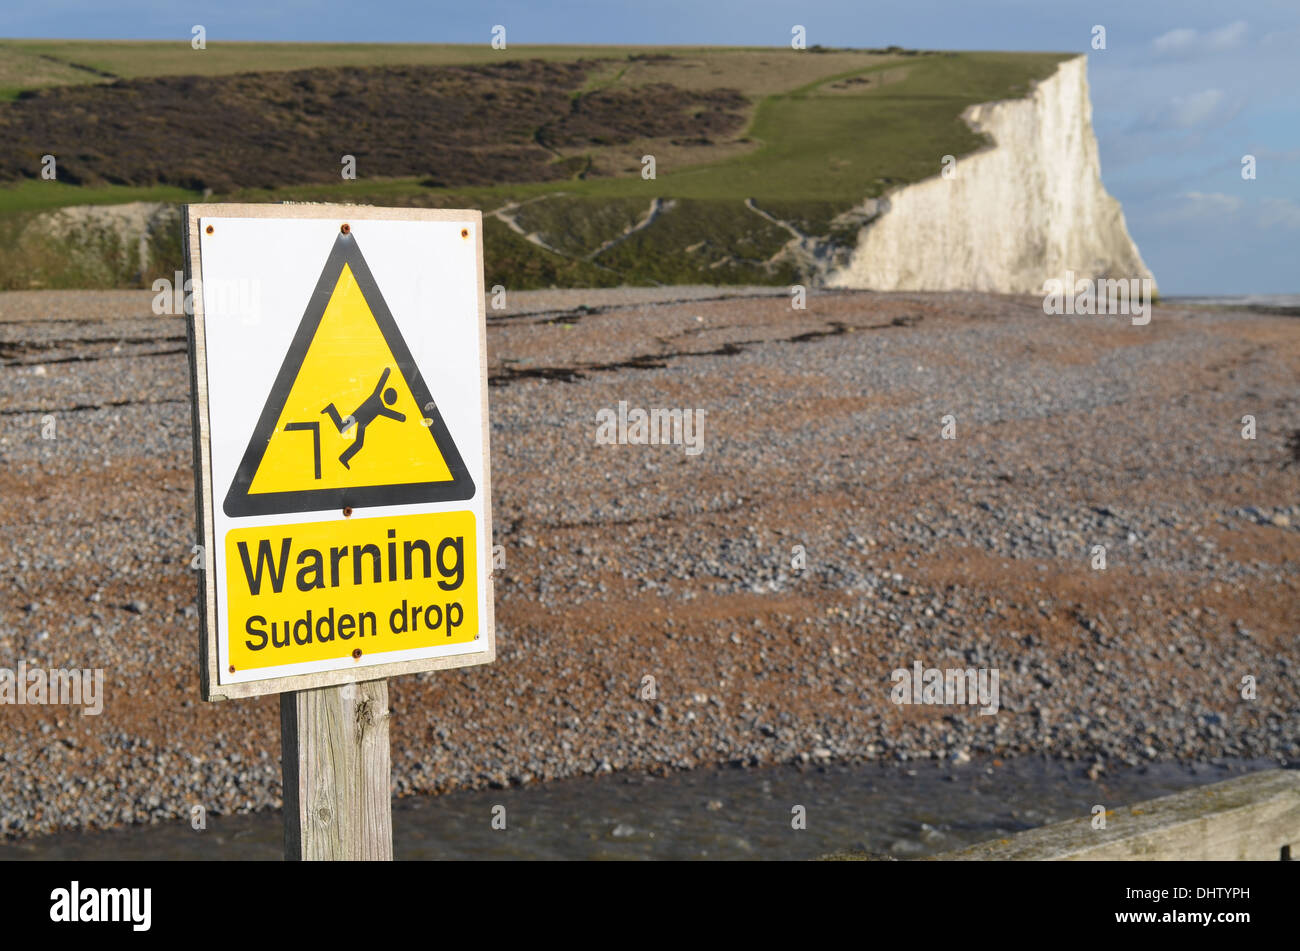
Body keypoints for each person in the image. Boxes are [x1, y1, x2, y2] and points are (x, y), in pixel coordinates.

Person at [321, 367, 406, 469]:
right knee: (343, 429)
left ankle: (343, 458)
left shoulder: (378, 400)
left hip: (362, 423)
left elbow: (393, 413)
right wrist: (387, 371)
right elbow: (393, 413)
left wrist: (387, 372)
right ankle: (331, 409)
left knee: (357, 441)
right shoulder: (378, 400)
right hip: (359, 416)